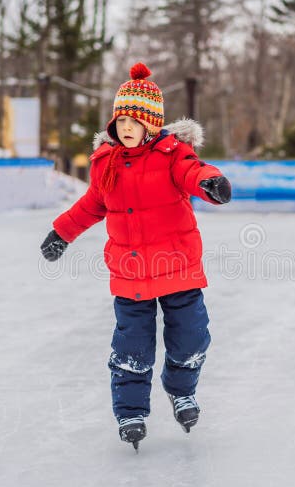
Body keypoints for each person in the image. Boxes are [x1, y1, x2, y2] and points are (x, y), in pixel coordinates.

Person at [40, 62, 231, 450]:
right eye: (120, 119)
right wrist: (61, 232)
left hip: (178, 269)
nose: (125, 127)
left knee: (191, 338)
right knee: (132, 349)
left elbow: (194, 171)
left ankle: (181, 391)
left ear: (152, 124)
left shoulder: (173, 154)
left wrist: (210, 182)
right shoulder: (106, 164)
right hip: (131, 276)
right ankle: (130, 411)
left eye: (134, 120)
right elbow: (90, 205)